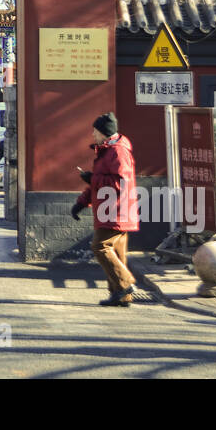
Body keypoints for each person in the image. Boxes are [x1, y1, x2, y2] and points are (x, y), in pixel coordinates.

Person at [71, 113, 138, 307]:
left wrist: (92, 179)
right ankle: (121, 295)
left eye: (95, 131)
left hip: (116, 209)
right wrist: (82, 202)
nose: (92, 134)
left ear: (103, 132)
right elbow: (98, 183)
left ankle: (125, 284)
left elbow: (121, 183)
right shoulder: (108, 150)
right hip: (111, 208)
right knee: (116, 252)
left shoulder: (117, 152)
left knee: (100, 246)